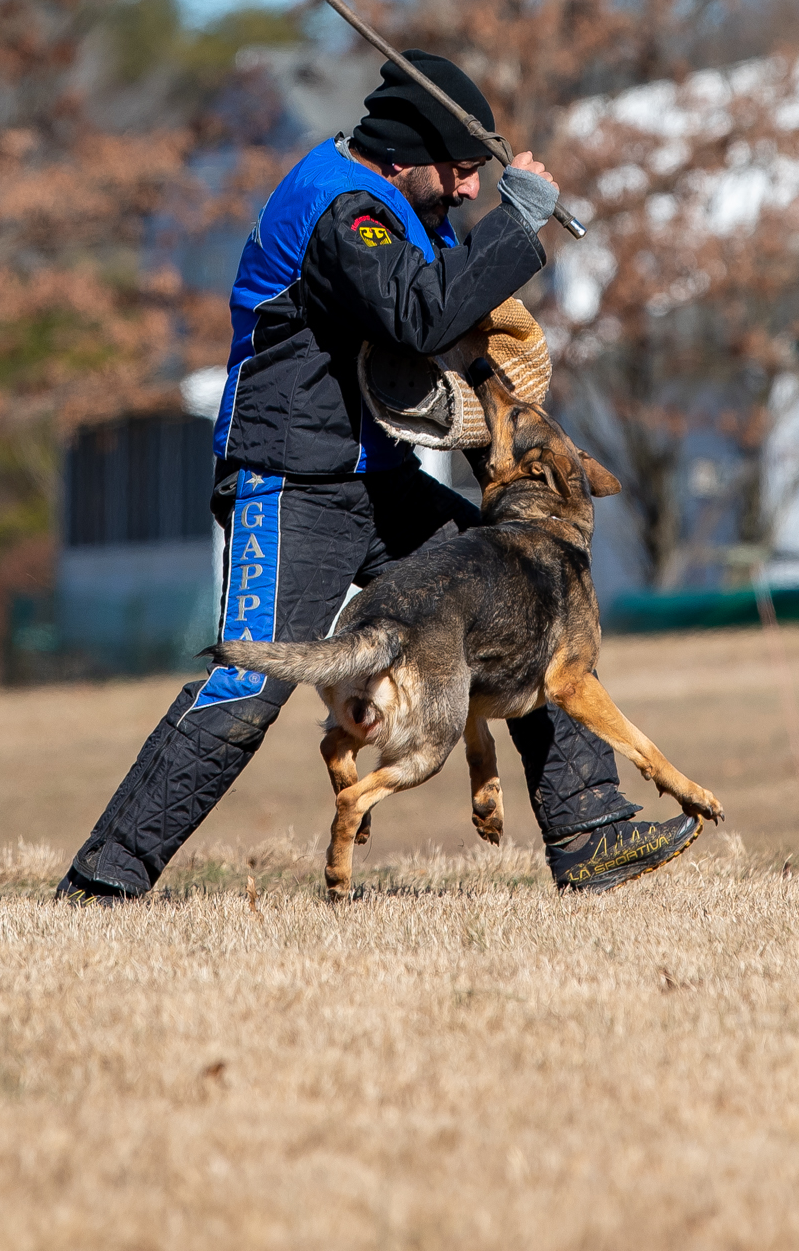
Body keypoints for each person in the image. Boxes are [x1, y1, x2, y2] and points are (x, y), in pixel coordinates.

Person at [57, 50, 701, 900]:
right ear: (404, 154)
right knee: (251, 683)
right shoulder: (341, 209)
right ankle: (103, 884)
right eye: (463, 172)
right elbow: (420, 309)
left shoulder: (398, 204)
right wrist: (517, 222)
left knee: (532, 591)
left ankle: (592, 833)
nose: (470, 190)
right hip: (289, 482)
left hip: (379, 478)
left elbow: (444, 300)